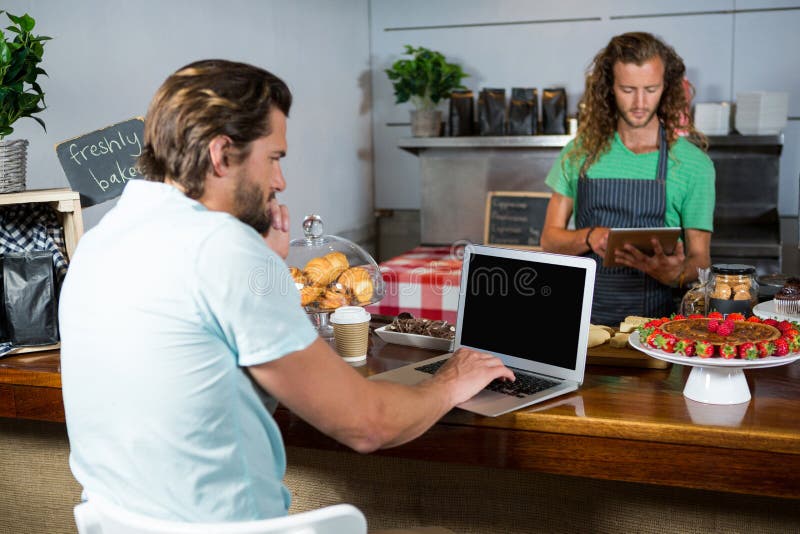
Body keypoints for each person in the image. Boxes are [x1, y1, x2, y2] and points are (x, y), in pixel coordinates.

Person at [58, 59, 514, 523]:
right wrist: (452, 379)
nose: (280, 181)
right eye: (274, 157)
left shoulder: (98, 241)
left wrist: (267, 267)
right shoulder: (222, 249)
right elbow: (368, 424)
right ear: (221, 154)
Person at [541, 32, 715, 326]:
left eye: (650, 89)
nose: (639, 102)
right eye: (627, 89)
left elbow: (701, 261)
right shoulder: (579, 153)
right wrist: (589, 236)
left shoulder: (694, 165)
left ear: (666, 87)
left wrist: (674, 273)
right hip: (584, 328)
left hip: (658, 332)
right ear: (609, 88)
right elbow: (549, 239)